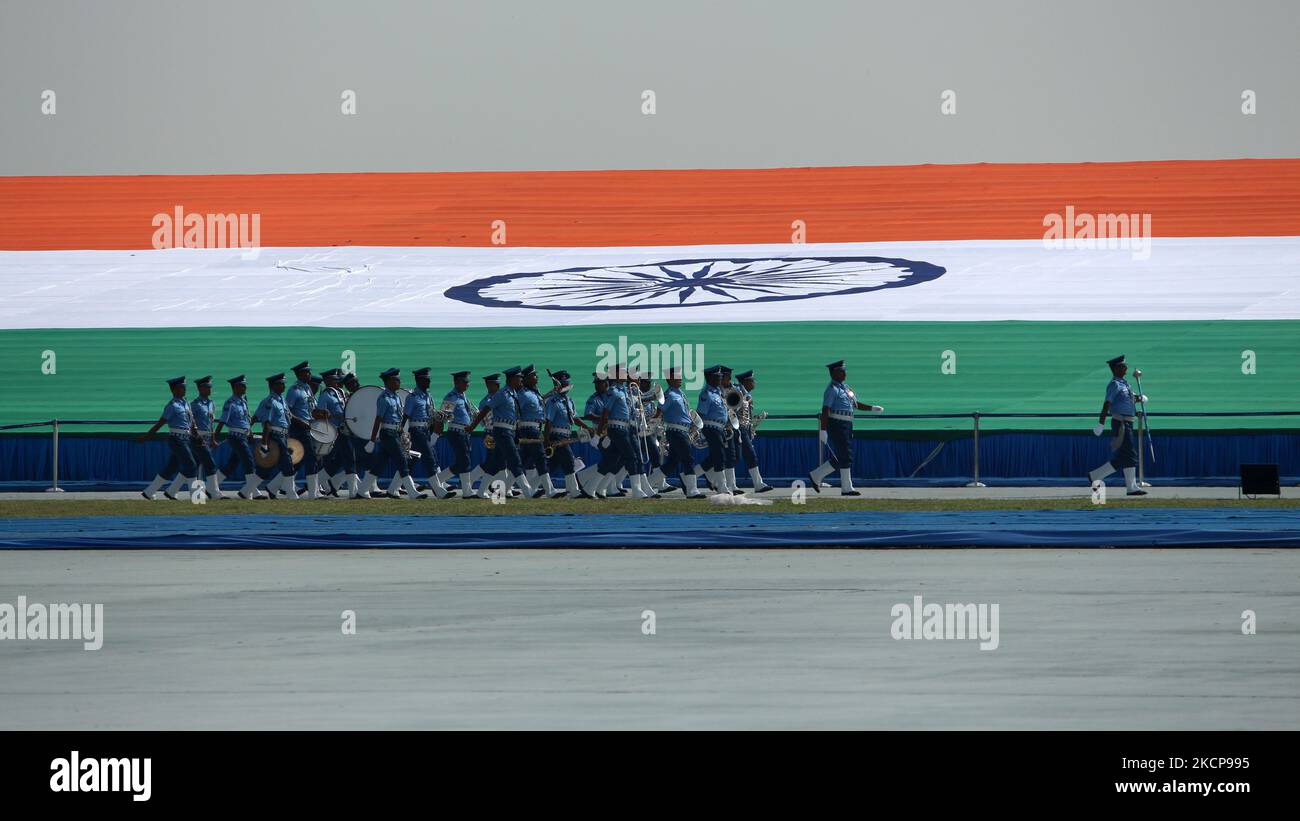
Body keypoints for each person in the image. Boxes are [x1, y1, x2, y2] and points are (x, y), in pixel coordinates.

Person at [808, 360, 883, 496]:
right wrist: (823, 430)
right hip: (837, 424)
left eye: (845, 371)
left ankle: (816, 476)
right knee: (845, 456)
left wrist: (871, 408)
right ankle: (847, 487)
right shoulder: (832, 390)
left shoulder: (846, 388)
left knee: (841, 456)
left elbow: (855, 404)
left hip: (847, 424)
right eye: (841, 371)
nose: (845, 373)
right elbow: (825, 410)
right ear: (834, 373)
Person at [467, 366, 535, 498]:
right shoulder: (502, 394)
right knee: (515, 461)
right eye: (519, 378)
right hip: (502, 431)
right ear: (512, 379)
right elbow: (485, 410)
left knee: (495, 464)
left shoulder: (513, 394)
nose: (521, 380)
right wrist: (472, 426)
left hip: (510, 430)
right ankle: (528, 491)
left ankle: (481, 492)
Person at [1088, 354, 1149, 496]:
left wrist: (1140, 398)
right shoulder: (1114, 385)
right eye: (1123, 366)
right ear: (1116, 369)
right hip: (1120, 423)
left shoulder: (1125, 383)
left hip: (1128, 422)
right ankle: (1131, 487)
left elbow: (1130, 398)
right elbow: (1107, 404)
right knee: (1130, 454)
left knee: (1123, 457)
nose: (1126, 368)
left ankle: (1095, 476)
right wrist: (1100, 424)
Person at [363, 368, 422, 499]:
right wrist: (372, 440)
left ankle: (362, 490)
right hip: (387, 433)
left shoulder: (395, 397)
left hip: (395, 433)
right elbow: (378, 420)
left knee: (380, 464)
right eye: (396, 380)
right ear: (389, 381)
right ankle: (412, 491)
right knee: (402, 460)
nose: (399, 382)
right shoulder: (384, 398)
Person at [139, 376, 199, 500]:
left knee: (171, 467)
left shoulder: (186, 403)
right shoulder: (172, 406)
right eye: (181, 387)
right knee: (191, 465)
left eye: (184, 387)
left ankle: (149, 492)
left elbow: (191, 421)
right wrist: (146, 436)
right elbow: (160, 423)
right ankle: (197, 497)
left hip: (186, 438)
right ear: (173, 390)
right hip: (176, 439)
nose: (184, 389)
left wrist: (196, 435)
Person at [405, 367, 456, 498]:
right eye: (426, 380)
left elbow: (430, 413)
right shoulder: (413, 397)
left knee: (412, 460)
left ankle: (393, 488)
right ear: (418, 380)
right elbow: (406, 416)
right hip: (416, 431)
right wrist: (402, 433)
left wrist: (438, 419)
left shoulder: (428, 396)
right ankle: (438, 489)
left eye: (429, 380)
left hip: (426, 430)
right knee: (429, 458)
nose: (429, 382)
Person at [213, 374, 265, 500]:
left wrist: (250, 433)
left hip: (244, 436)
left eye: (244, 385)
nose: (244, 388)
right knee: (249, 461)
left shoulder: (243, 401)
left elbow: (246, 420)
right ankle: (251, 492)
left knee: (232, 464)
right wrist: (214, 437)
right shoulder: (230, 403)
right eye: (242, 386)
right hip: (235, 437)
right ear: (235, 387)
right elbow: (222, 421)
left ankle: (210, 487)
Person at [543, 369, 591, 498]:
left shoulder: (569, 401)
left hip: (566, 436)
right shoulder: (553, 402)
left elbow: (574, 418)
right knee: (569, 462)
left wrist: (588, 428)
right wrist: (547, 440)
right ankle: (574, 491)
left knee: (553, 465)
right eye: (563, 385)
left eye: (567, 384)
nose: (566, 387)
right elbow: (548, 422)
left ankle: (536, 486)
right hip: (556, 436)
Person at [660, 367, 707, 499]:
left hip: (683, 430)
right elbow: (659, 411)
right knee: (688, 459)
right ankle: (692, 491)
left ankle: (648, 484)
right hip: (675, 431)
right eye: (676, 376)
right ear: (669, 379)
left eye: (680, 376)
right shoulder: (669, 395)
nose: (680, 378)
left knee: (672, 462)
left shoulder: (680, 393)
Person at [253, 372, 298, 499]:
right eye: (281, 384)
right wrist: (264, 444)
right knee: (288, 464)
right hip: (275, 436)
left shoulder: (281, 400)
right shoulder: (270, 401)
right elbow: (266, 424)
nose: (284, 386)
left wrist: (304, 422)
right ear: (273, 386)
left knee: (266, 468)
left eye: (284, 384)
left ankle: (247, 490)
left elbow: (289, 416)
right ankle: (291, 493)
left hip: (283, 435)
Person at [436, 371, 477, 498]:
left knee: (462, 462)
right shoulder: (451, 397)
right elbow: (443, 416)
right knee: (464, 461)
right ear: (456, 382)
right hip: (456, 432)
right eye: (464, 382)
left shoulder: (463, 396)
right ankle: (466, 491)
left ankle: (437, 481)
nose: (467, 384)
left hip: (464, 433)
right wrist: (438, 432)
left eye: (468, 382)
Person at [734, 370, 774, 493]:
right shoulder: (738, 392)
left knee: (734, 457)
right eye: (752, 380)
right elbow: (732, 409)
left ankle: (703, 476)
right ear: (746, 382)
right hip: (738, 428)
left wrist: (753, 425)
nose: (754, 382)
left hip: (744, 428)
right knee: (748, 455)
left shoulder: (747, 394)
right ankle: (758, 484)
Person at [695, 365, 732, 495]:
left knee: (716, 457)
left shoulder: (718, 392)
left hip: (719, 428)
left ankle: (689, 477)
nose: (720, 379)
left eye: (721, 377)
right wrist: (699, 431)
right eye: (718, 377)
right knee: (719, 456)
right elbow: (700, 413)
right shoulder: (706, 394)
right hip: (710, 428)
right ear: (710, 378)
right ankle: (722, 487)